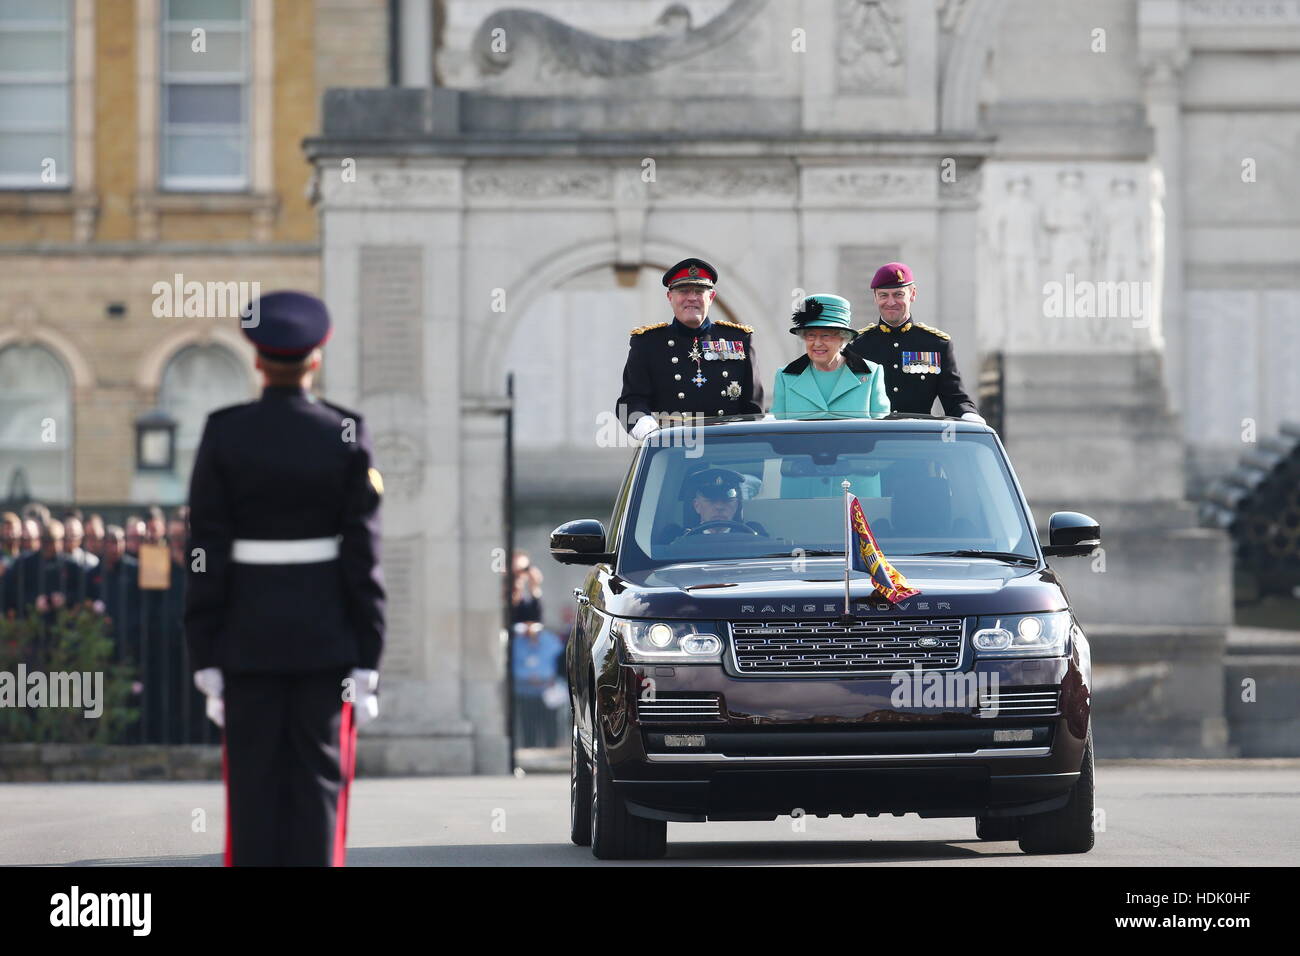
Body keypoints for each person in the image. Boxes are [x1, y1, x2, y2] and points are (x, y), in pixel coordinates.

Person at [184, 290, 385, 867]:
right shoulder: (345, 431)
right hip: (326, 642)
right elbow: (362, 556)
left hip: (245, 642)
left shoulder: (225, 432)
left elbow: (205, 552)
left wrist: (205, 655)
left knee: (251, 792)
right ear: (315, 358)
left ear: (257, 359)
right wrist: (368, 656)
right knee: (320, 788)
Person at [616, 258, 763, 440]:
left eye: (699, 291)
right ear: (670, 297)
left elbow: (753, 406)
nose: (691, 298)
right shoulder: (648, 343)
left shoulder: (739, 339)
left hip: (727, 446)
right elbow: (630, 403)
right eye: (683, 291)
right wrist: (650, 434)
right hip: (673, 447)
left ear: (711, 297)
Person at [845, 262, 983, 422]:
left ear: (913, 294)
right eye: (884, 295)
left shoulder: (935, 345)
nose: (890, 302)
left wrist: (970, 416)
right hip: (872, 441)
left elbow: (955, 398)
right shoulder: (857, 347)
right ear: (875, 297)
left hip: (917, 439)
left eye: (898, 294)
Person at [771, 293, 889, 419]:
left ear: (843, 338)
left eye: (826, 335)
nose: (817, 343)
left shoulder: (871, 374)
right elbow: (778, 431)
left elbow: (882, 430)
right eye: (811, 335)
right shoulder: (785, 377)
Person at [659, 468, 768, 542]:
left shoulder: (753, 535)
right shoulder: (676, 538)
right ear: (697, 506)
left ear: (736, 506)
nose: (719, 507)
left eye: (727, 501)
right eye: (711, 501)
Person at [511, 620, 565, 748]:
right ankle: (529, 749)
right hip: (526, 691)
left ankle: (551, 749)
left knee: (550, 725)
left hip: (547, 691)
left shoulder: (551, 641)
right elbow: (512, 665)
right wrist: (528, 677)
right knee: (528, 725)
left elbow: (559, 662)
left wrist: (549, 677)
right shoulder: (517, 643)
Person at [510, 550, 543, 626]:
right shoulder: (506, 585)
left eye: (525, 569)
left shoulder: (528, 594)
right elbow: (510, 614)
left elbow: (536, 617)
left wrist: (534, 587)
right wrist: (517, 590)